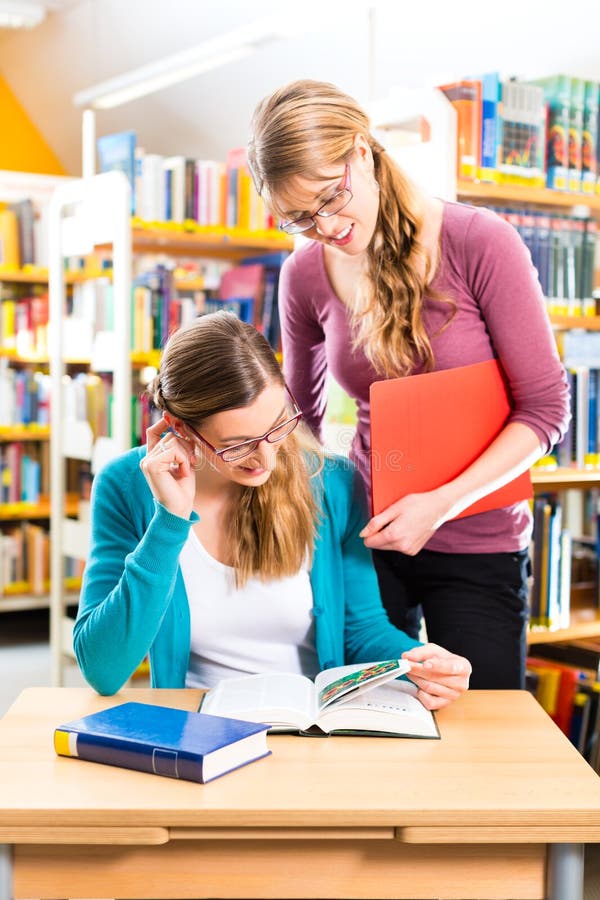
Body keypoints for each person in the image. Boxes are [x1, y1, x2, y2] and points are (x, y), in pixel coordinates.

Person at [246, 79, 570, 690]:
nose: (326, 226)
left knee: (480, 728)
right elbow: (299, 422)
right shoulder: (305, 274)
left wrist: (441, 503)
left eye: (330, 198)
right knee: (366, 728)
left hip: (477, 541)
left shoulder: (481, 242)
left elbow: (546, 409)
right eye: (299, 218)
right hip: (363, 542)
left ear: (362, 152)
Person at [74, 312, 471, 709]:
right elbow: (103, 670)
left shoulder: (332, 482)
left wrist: (419, 663)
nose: (266, 458)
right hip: (196, 729)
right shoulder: (126, 486)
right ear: (179, 427)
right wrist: (169, 520)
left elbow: (362, 630)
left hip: (311, 727)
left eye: (278, 425)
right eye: (238, 444)